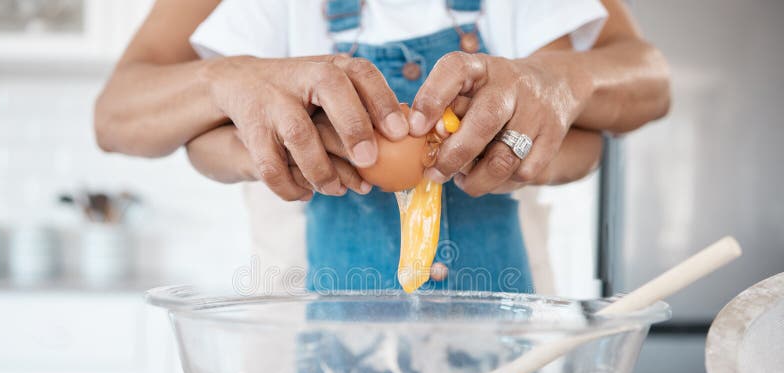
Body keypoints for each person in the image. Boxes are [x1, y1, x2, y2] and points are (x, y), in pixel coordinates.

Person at [95, 0, 670, 295]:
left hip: (506, 329)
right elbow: (119, 117)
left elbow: (643, 86)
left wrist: (556, 84)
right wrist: (230, 83)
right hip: (304, 331)